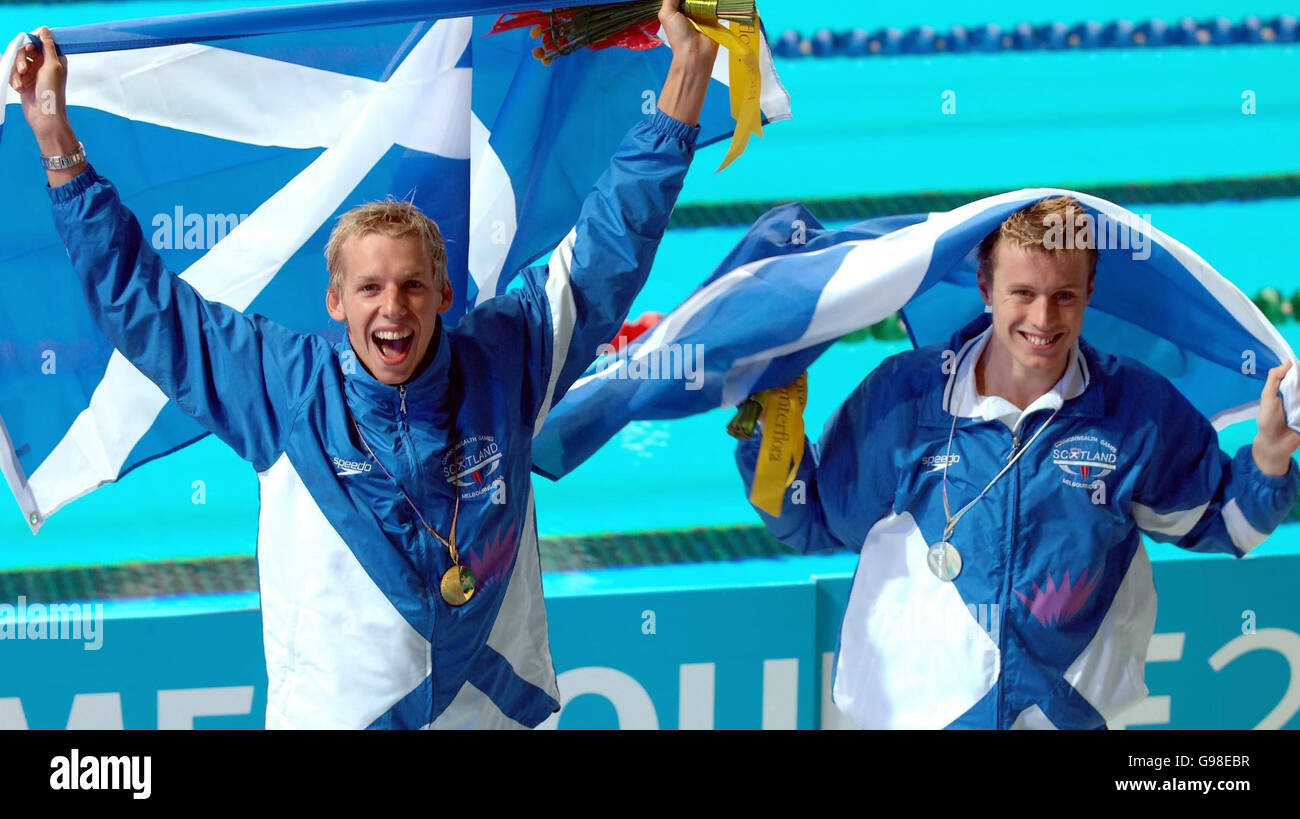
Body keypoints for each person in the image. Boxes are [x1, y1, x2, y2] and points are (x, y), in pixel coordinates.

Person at [10, 1, 718, 729]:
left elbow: (608, 249)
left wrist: (686, 84)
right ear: (335, 303)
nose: (393, 307)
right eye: (370, 288)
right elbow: (145, 307)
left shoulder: (508, 360)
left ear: (444, 294)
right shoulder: (282, 388)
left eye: (412, 285)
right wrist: (56, 136)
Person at [735, 196, 1300, 730]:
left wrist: (1270, 456)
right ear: (986, 286)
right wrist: (768, 429)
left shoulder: (1134, 412)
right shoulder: (906, 397)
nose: (1043, 318)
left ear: (1091, 290)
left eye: (1064, 296)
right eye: (1023, 293)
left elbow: (1221, 521)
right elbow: (814, 521)